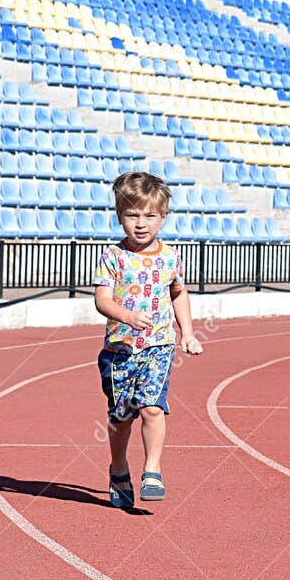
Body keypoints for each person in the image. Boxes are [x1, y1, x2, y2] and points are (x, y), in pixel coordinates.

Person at [92, 171, 202, 509]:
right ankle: (118, 468)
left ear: (163, 217)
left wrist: (188, 332)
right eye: (132, 215)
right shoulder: (114, 256)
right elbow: (101, 300)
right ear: (119, 216)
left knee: (153, 408)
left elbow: (178, 293)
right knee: (122, 417)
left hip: (159, 346)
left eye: (150, 215)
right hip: (120, 351)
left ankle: (152, 470)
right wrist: (124, 316)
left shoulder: (170, 257)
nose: (141, 223)